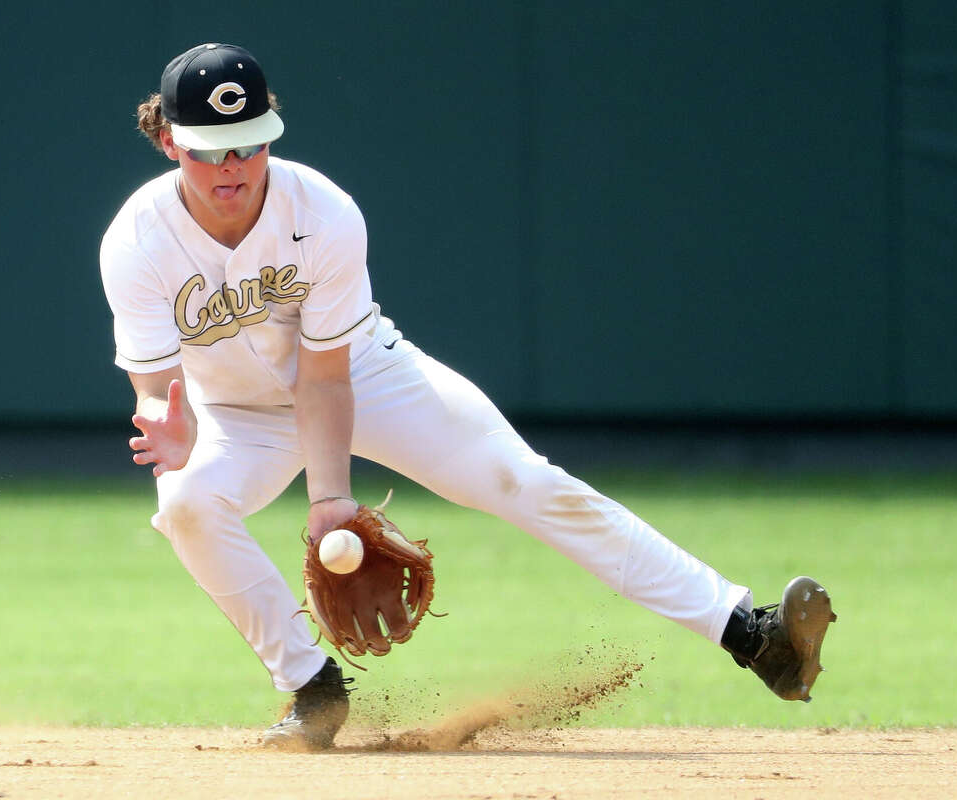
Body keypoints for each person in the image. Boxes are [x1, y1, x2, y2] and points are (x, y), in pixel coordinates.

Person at [99, 43, 837, 751]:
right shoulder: (138, 239)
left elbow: (324, 377)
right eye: (207, 148)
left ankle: (753, 635)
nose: (231, 167)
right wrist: (180, 436)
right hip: (236, 415)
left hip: (366, 375)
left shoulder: (320, 212)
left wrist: (330, 504)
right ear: (168, 140)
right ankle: (312, 687)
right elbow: (162, 393)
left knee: (522, 479)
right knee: (186, 506)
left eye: (249, 144)